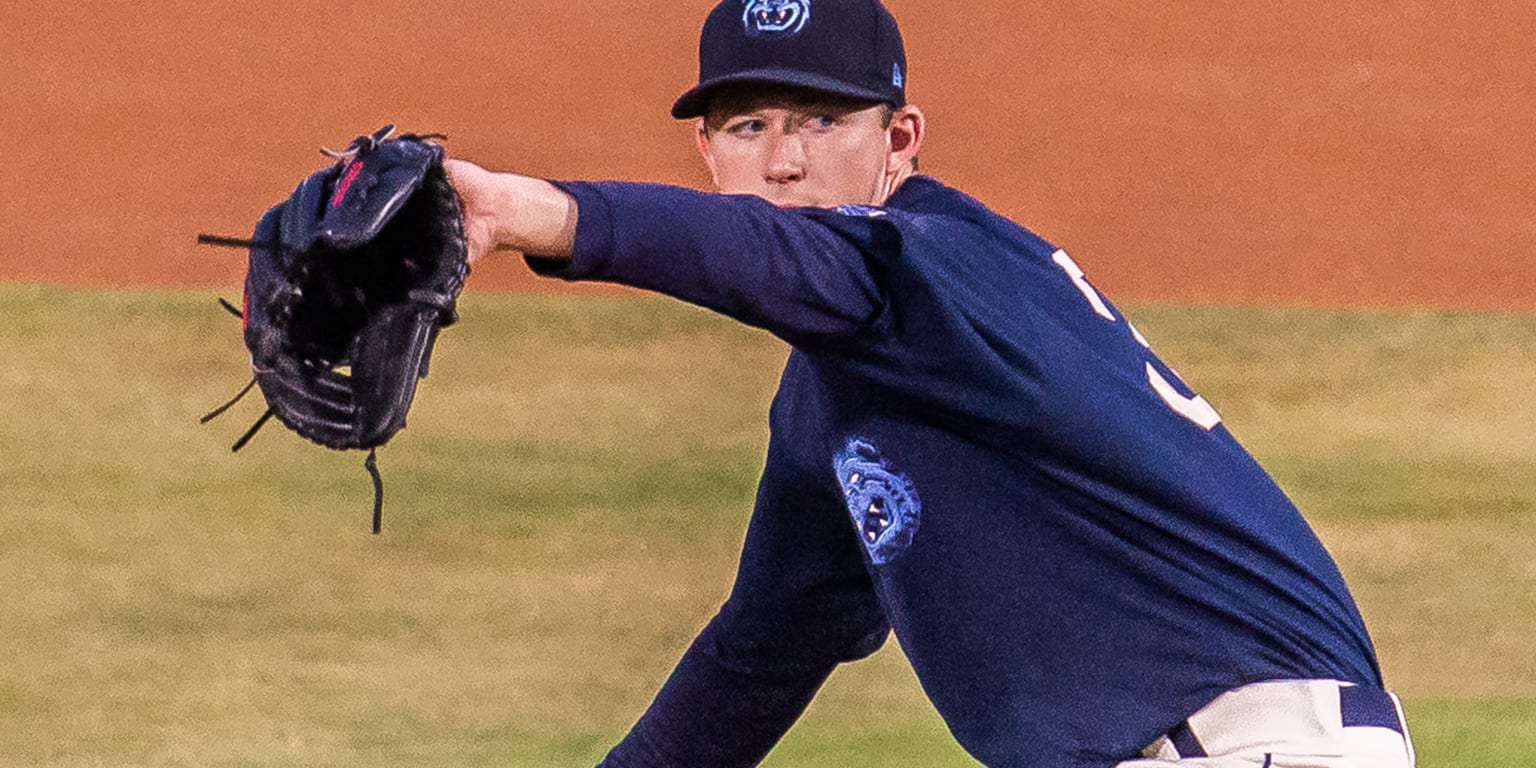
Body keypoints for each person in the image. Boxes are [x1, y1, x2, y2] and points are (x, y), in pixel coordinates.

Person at [444, 1, 1416, 766]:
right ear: (707, 151)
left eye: (822, 120)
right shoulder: (831, 398)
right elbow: (757, 660)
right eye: (747, 126)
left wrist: (538, 213)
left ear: (901, 139)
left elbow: (786, 262)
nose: (783, 161)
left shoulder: (933, 270)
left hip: (1251, 743)